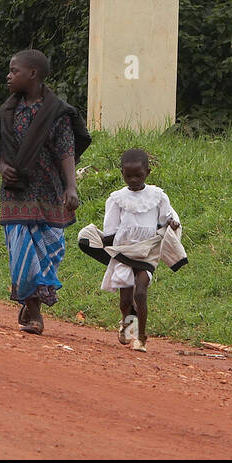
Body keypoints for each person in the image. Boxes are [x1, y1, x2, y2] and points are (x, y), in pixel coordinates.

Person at [0, 49, 91, 334]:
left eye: (14, 71)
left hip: (50, 194)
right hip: (16, 195)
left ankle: (29, 304)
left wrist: (71, 187)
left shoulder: (57, 112)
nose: (9, 76)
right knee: (22, 255)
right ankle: (36, 314)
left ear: (33, 74)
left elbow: (66, 150)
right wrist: (1, 166)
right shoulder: (8, 110)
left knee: (50, 252)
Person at [78, 148, 185, 353]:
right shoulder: (117, 199)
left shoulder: (158, 196)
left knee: (141, 292)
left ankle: (141, 338)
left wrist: (172, 223)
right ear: (122, 175)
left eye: (139, 175)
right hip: (125, 251)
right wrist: (100, 241)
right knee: (126, 300)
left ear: (148, 172)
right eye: (129, 176)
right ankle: (127, 322)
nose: (134, 179)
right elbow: (111, 229)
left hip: (147, 252)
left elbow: (166, 218)